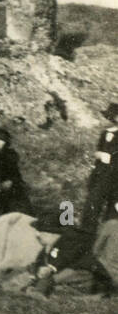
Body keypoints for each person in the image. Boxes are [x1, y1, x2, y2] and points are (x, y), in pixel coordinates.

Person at [35, 103, 118, 295]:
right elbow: (100, 154)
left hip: (115, 176)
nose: (112, 119)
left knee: (110, 212)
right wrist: (102, 157)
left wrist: (108, 157)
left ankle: (102, 239)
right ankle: (89, 234)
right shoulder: (106, 133)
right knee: (92, 204)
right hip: (101, 174)